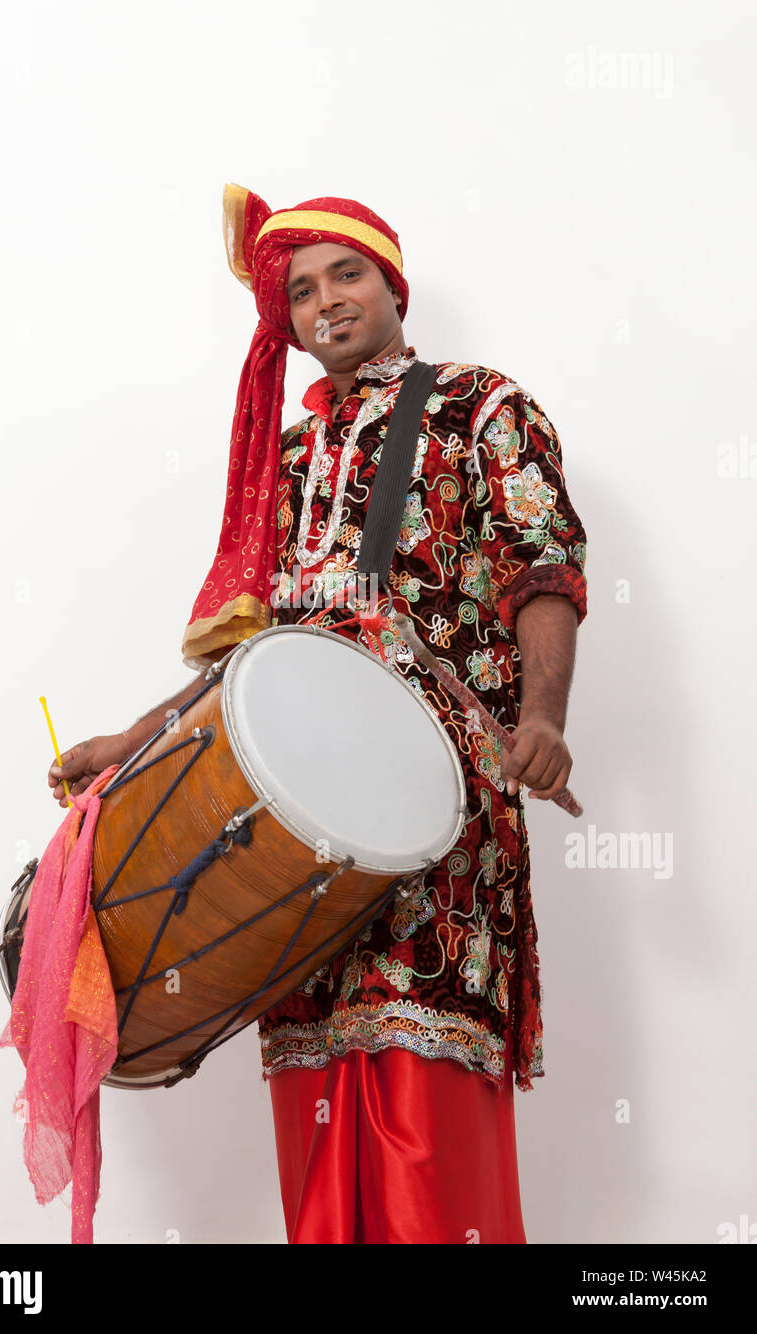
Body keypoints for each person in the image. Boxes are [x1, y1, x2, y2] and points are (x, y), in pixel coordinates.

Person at [49, 184, 589, 1245]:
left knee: (423, 1104)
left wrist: (544, 716)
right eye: (298, 290)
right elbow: (261, 657)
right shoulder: (286, 463)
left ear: (393, 282)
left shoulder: (482, 406)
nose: (323, 302)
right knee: (318, 1102)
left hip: (441, 816)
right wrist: (137, 740)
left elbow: (544, 570)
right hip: (297, 834)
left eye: (344, 273)